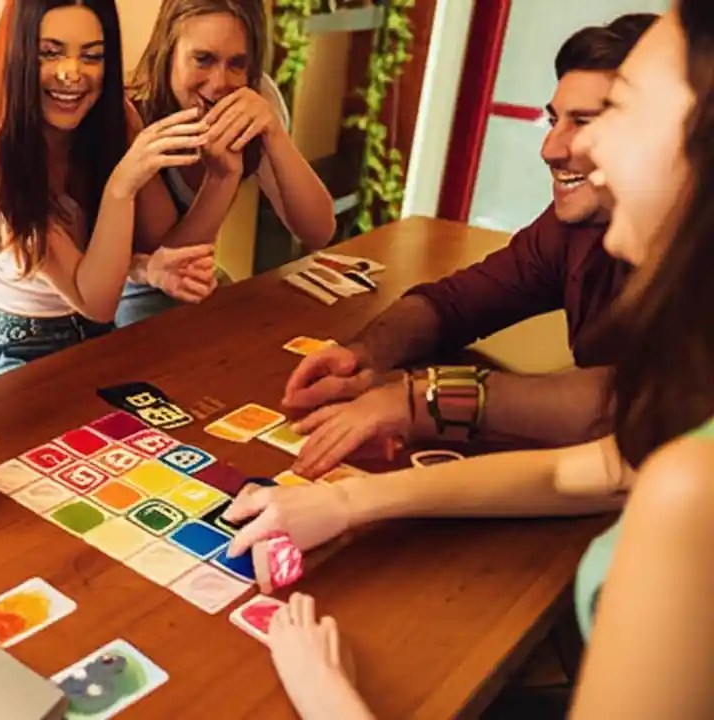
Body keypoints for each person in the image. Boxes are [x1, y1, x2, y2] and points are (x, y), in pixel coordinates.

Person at [226, 6, 714, 717]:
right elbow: (586, 469)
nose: (569, 147)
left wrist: (329, 698)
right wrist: (345, 498)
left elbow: (610, 418)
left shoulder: (689, 490)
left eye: (619, 110)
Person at [279, 14, 657, 478]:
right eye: (554, 119)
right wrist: (366, 355)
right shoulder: (578, 224)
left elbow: (617, 403)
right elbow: (457, 302)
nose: (549, 149)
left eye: (584, 122)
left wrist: (418, 399)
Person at [0, 0, 214, 387]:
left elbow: (159, 240)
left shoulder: (111, 119)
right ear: (19, 54)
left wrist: (148, 268)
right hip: (9, 350)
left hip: (94, 338)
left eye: (91, 56)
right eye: (50, 53)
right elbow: (93, 298)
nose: (72, 73)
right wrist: (123, 184)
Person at [116, 0, 336, 326]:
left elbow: (318, 231)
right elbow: (176, 269)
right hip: (133, 302)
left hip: (205, 292)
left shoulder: (255, 100)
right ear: (168, 50)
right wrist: (223, 178)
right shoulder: (133, 119)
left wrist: (274, 132)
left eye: (237, 63)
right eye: (203, 59)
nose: (220, 83)